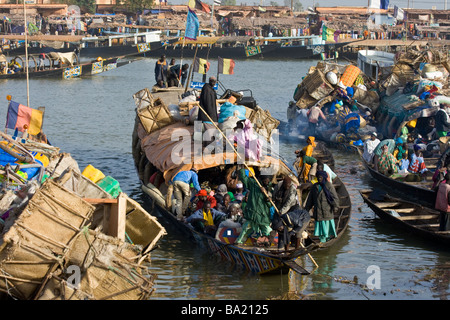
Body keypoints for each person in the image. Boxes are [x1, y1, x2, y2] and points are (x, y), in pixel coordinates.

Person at [234, 168, 273, 245]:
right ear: (262, 179)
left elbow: (270, 205)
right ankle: (239, 243)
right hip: (252, 214)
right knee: (245, 229)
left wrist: (266, 196)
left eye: (268, 180)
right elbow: (244, 178)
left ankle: (269, 243)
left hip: (263, 216)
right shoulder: (254, 184)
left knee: (268, 231)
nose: (267, 182)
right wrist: (242, 168)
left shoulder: (270, 189)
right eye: (266, 180)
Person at [304, 171, 339, 243]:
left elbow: (335, 198)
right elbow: (310, 200)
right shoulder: (314, 187)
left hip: (327, 211)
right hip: (318, 212)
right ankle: (322, 241)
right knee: (322, 231)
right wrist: (306, 209)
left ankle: (328, 240)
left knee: (328, 229)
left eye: (320, 177)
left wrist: (335, 207)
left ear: (324, 177)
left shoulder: (329, 186)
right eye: (318, 177)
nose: (319, 179)